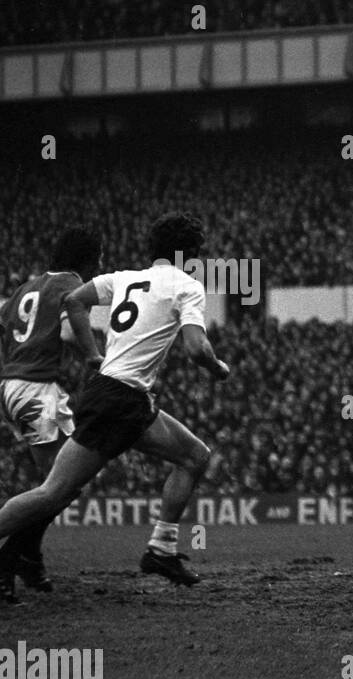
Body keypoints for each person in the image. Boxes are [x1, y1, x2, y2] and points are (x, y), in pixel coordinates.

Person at [0, 212, 230, 586]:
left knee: (194, 456)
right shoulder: (187, 286)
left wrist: (95, 355)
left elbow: (74, 299)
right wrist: (218, 368)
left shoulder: (123, 278)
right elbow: (196, 348)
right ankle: (15, 557)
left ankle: (161, 550)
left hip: (120, 397)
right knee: (54, 491)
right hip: (118, 402)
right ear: (189, 253)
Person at [0, 227, 105, 601]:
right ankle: (12, 557)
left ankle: (26, 557)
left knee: (58, 484)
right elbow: (66, 334)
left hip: (12, 386)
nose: (101, 266)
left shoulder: (25, 287)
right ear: (87, 260)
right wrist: (96, 358)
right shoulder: (73, 286)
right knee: (60, 487)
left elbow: (5, 324)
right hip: (36, 389)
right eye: (100, 258)